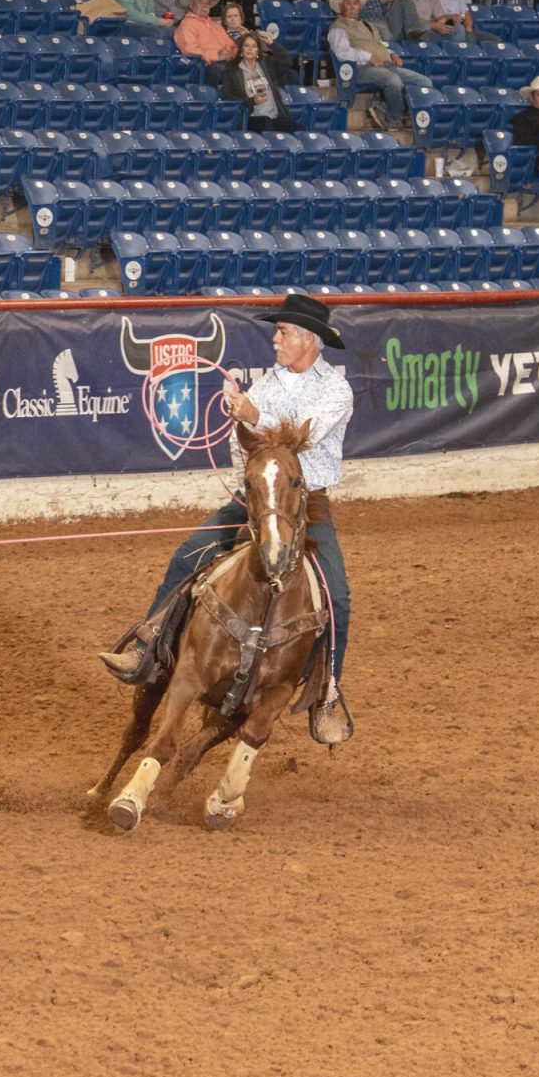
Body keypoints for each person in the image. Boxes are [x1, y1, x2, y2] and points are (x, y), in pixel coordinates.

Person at [101, 293, 356, 741]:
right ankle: (147, 646)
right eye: (277, 331)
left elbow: (303, 435)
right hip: (257, 499)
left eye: (282, 332)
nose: (274, 339)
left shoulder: (335, 390)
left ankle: (326, 692)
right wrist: (243, 425)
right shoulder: (269, 384)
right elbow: (247, 446)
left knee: (337, 598)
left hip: (305, 505)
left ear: (308, 339)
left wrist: (253, 414)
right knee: (186, 556)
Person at [325, 0, 434, 126]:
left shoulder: (368, 25)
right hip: (360, 68)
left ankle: (388, 110)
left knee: (424, 82)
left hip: (384, 65)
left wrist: (392, 54)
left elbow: (379, 44)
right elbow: (342, 52)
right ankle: (392, 119)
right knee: (393, 81)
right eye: (348, 3)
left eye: (355, 2)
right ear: (341, 7)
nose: (353, 6)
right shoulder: (338, 28)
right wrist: (368, 57)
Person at [222, 32, 297, 132]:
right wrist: (252, 101)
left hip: (275, 117)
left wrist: (272, 44)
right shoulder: (232, 70)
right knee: (266, 124)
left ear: (258, 51)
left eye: (254, 46)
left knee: (299, 131)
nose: (250, 49)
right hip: (252, 118)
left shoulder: (266, 64)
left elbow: (287, 62)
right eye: (246, 46)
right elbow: (228, 98)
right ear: (241, 49)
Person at [172, 0, 235, 76]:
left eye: (208, 3)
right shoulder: (187, 24)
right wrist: (216, 56)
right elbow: (190, 52)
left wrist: (236, 54)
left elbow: (231, 45)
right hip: (205, 67)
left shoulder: (216, 26)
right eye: (200, 2)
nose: (205, 6)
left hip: (226, 64)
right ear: (191, 4)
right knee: (232, 73)